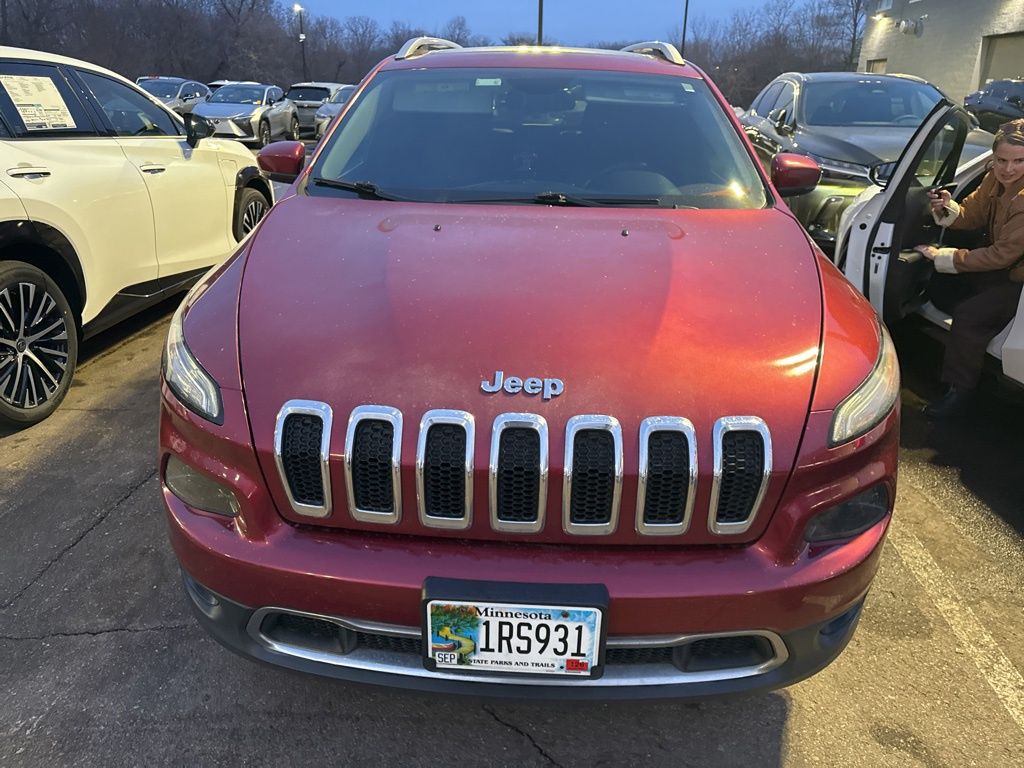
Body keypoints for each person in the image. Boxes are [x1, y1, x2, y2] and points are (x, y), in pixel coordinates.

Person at [914, 118, 1024, 418]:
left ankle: (959, 393)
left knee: (969, 317)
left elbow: (1002, 255)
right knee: (943, 286)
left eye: (1018, 161)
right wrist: (949, 208)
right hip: (1002, 268)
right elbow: (971, 215)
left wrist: (943, 256)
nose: (1008, 168)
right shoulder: (995, 180)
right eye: (1002, 160)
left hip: (1017, 279)